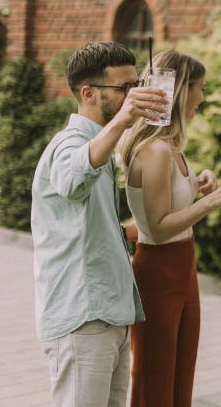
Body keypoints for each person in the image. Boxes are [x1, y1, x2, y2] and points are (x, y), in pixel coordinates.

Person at [31, 41, 168, 406]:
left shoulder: (101, 145)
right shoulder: (70, 144)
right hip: (83, 318)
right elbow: (72, 181)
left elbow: (81, 226)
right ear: (89, 93)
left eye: (135, 84)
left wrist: (129, 231)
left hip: (110, 313)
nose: (134, 94)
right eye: (125, 88)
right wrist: (124, 120)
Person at [120, 50, 221, 407]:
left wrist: (196, 184)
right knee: (154, 379)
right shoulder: (155, 150)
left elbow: (156, 211)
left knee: (181, 375)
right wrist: (212, 200)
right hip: (159, 271)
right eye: (200, 88)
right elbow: (158, 230)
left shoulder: (172, 147)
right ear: (180, 90)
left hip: (182, 269)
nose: (203, 97)